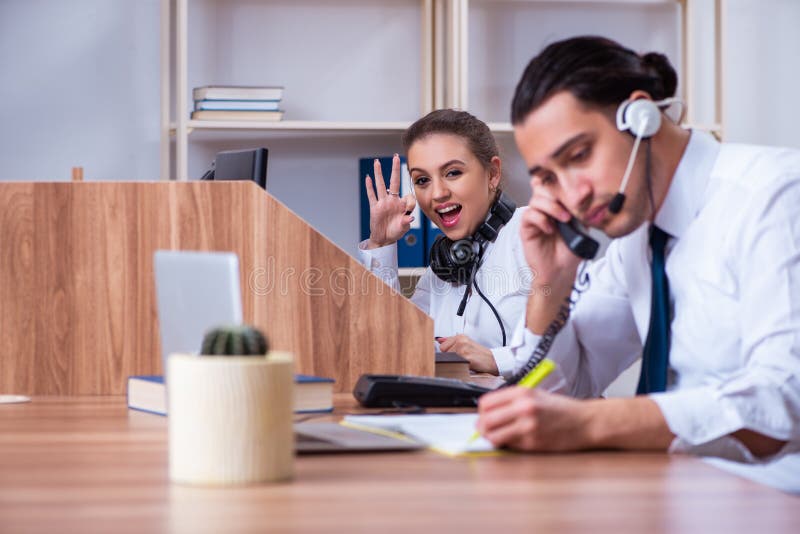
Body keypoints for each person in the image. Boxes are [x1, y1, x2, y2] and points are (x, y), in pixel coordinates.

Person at [475, 36, 800, 493]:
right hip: (678, 495)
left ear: (641, 116)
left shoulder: (776, 196)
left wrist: (592, 423)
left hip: (773, 502)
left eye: (578, 156)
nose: (574, 195)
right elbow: (568, 388)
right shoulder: (635, 233)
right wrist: (550, 281)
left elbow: (784, 399)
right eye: (549, 178)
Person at [359, 109, 534, 377]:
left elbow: (577, 353)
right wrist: (381, 244)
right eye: (422, 180)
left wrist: (496, 360)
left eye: (453, 173)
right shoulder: (445, 264)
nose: (437, 194)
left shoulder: (534, 232)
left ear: (492, 174)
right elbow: (391, 345)